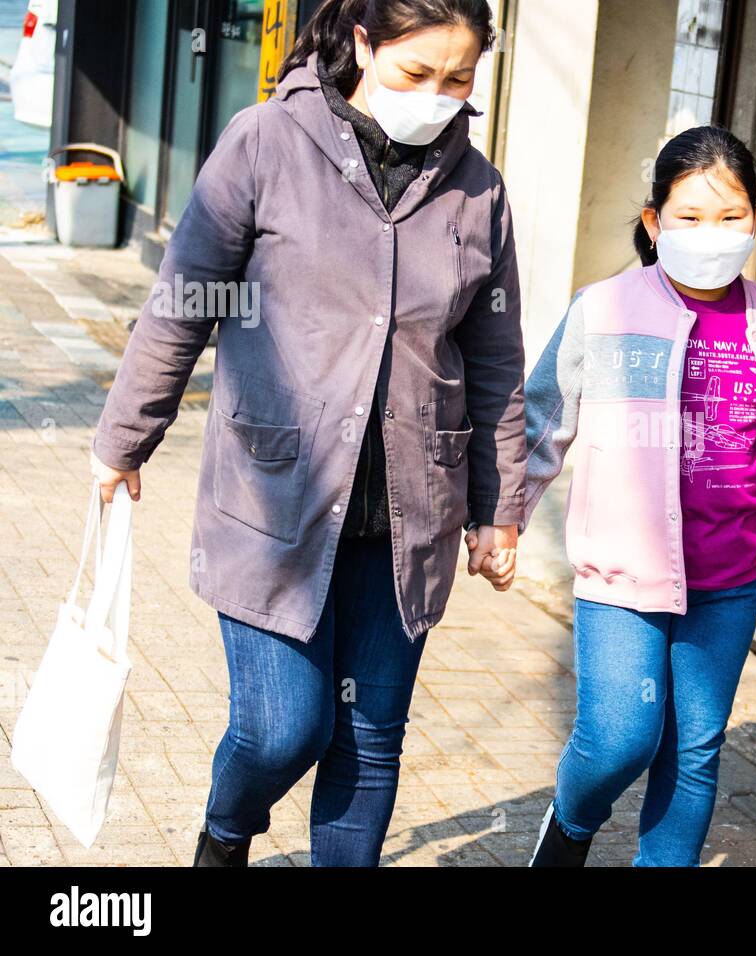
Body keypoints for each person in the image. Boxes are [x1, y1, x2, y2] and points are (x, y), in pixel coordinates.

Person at [89, 0, 524, 867]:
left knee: (368, 744)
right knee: (284, 728)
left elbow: (496, 360)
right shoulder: (264, 144)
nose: (437, 97)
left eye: (459, 80)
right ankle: (224, 837)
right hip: (274, 501)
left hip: (409, 517)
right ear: (363, 42)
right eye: (414, 74)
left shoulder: (478, 192)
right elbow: (186, 302)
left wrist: (499, 506)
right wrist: (123, 439)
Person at [500, 125, 756, 867]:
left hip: (727, 581)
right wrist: (503, 516)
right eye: (690, 217)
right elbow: (543, 420)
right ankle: (570, 827)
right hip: (621, 575)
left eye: (731, 217)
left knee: (694, 750)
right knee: (619, 739)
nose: (712, 234)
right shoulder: (604, 309)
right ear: (654, 222)